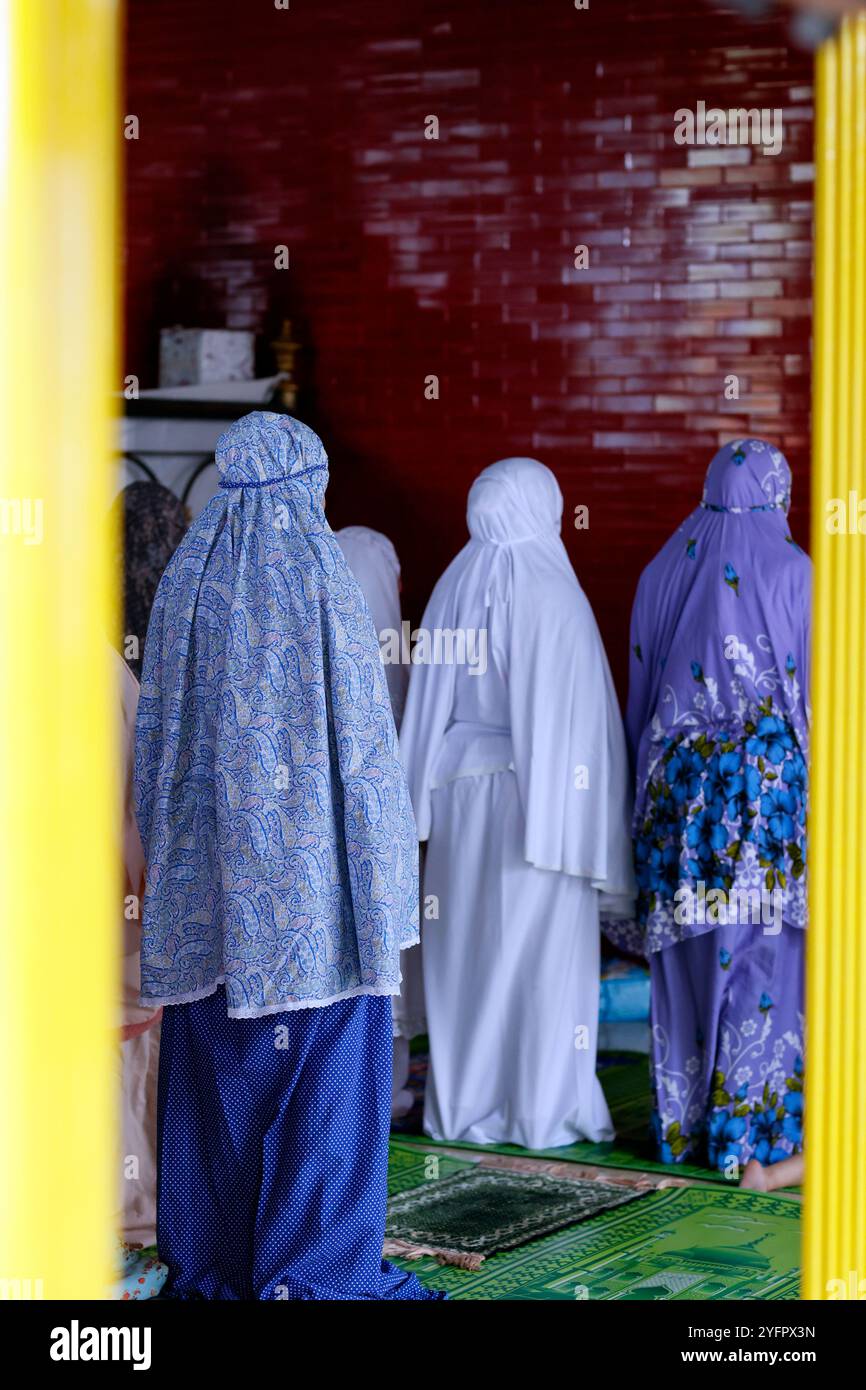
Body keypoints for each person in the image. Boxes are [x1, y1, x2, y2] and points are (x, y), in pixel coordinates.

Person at [135, 410, 443, 1300]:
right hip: (318, 919)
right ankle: (313, 1278)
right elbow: (366, 757)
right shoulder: (320, 577)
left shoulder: (184, 582)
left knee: (218, 1095)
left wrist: (173, 868)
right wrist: (388, 894)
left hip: (211, 911)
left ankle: (217, 1267)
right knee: (323, 1105)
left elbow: (155, 747)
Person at [399, 457, 635, 1150]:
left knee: (465, 955)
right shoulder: (554, 593)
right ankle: (542, 1111)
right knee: (541, 962)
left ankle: (464, 1105)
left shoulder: (453, 584)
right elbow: (585, 723)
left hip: (459, 799)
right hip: (543, 808)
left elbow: (424, 709)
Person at [624, 438, 809, 1174]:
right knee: (763, 962)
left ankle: (686, 1125)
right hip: (761, 804)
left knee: (690, 961)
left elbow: (641, 701)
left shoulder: (662, 569)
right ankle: (753, 1136)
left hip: (679, 802)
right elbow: (820, 703)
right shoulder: (797, 572)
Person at [334, 526, 423, 1120]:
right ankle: (384, 1091)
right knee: (385, 951)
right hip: (380, 822)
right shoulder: (390, 663)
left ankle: (351, 1092)